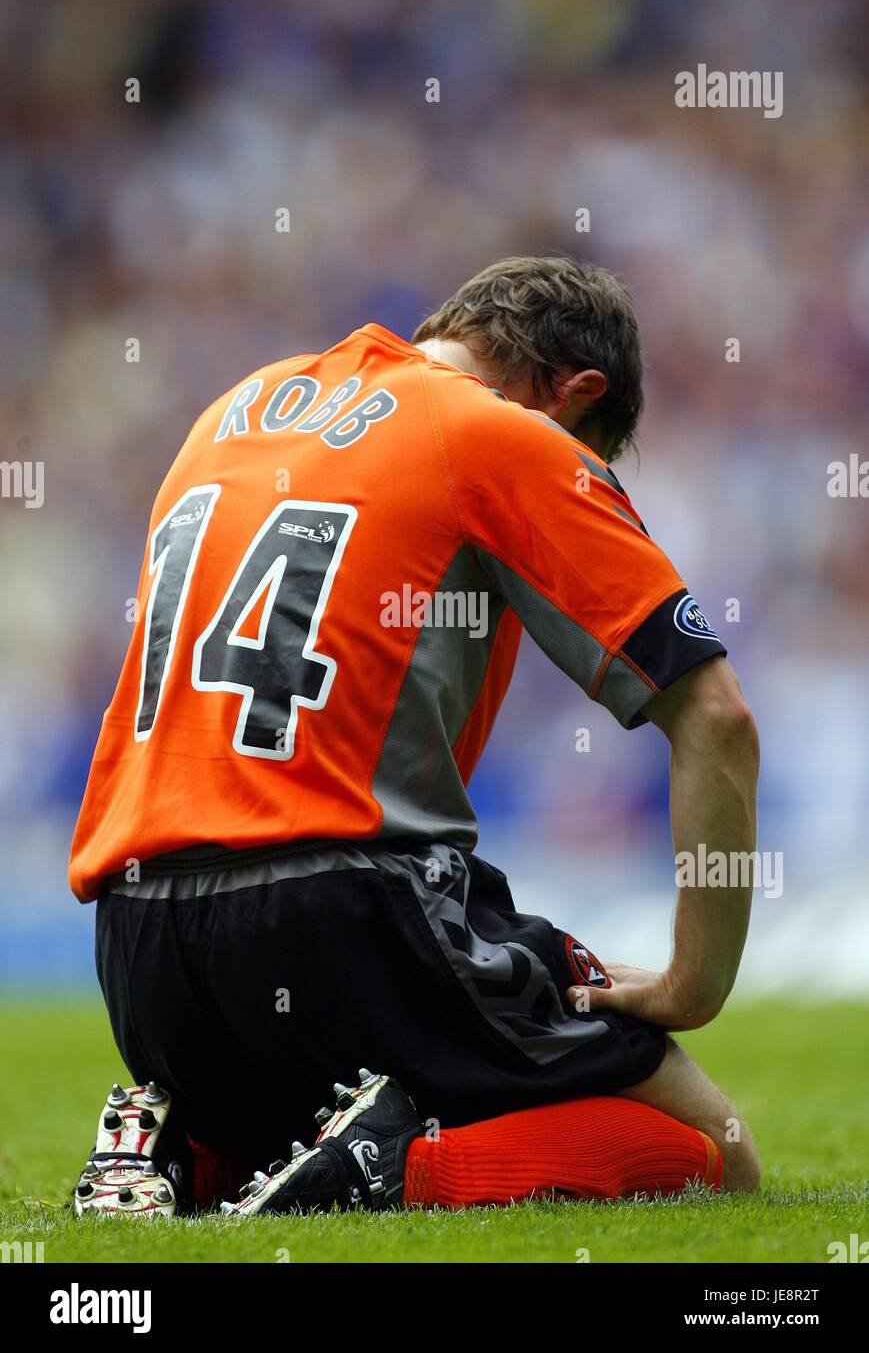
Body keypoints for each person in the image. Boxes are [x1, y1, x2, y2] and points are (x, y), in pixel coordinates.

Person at [68, 255, 760, 1218]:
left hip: (141, 952)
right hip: (337, 906)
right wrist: (693, 982)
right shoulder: (499, 429)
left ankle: (187, 1154)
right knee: (710, 1149)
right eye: (591, 455)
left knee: (379, 1095)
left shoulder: (234, 408)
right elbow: (716, 716)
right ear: (575, 396)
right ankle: (388, 1177)